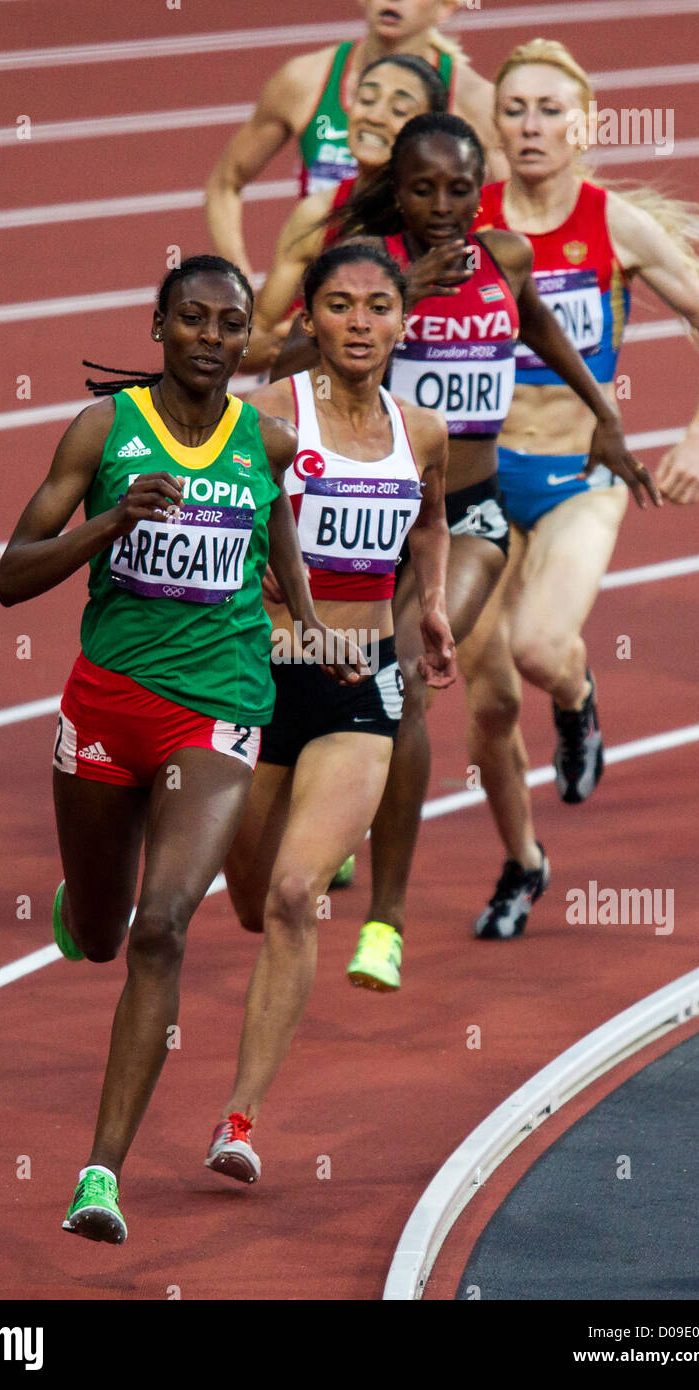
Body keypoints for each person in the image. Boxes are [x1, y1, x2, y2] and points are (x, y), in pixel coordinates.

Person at [0, 255, 357, 1244]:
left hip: (219, 706)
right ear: (157, 328)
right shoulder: (102, 433)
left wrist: (307, 611)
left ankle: (98, 1175)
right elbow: (9, 577)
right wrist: (112, 520)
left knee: (163, 928)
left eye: (227, 323)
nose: (209, 335)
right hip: (106, 706)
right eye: (190, 318)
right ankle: (87, 902)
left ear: (245, 339)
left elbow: (274, 509)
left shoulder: (262, 438)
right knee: (107, 929)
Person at [268, 111, 659, 991]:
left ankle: (385, 921)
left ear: (477, 188)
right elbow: (282, 360)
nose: (442, 205)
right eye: (422, 187)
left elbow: (543, 332)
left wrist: (607, 415)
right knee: (287, 674)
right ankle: (318, 820)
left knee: (400, 688)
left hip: (463, 512)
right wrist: (401, 285)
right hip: (356, 522)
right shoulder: (368, 268)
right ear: (397, 190)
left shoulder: (507, 258)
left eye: (457, 188)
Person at [458, 38, 699, 939]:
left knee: (544, 650)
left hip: (580, 476)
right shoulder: (468, 221)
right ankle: (523, 863)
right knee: (492, 697)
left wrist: (698, 439)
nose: (532, 125)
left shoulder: (611, 222)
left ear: (585, 125)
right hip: (479, 485)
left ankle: (579, 707)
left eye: (550, 110)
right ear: (494, 125)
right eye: (516, 109)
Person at [204, 242, 456, 1183]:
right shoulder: (268, 414)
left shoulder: (422, 430)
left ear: (403, 320)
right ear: (308, 317)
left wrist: (427, 603)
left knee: (288, 898)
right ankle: (108, 873)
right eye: (340, 305)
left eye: (378, 305)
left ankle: (241, 1120)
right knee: (239, 900)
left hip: (360, 686)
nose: (360, 322)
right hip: (254, 681)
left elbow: (431, 518)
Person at [205, 0, 504, 280]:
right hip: (322, 292)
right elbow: (225, 183)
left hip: (425, 299)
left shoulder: (473, 100)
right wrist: (238, 278)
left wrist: (467, 274)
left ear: (445, 7)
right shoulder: (304, 81)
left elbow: (509, 208)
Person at [245, 53, 448, 373]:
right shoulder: (317, 214)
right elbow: (252, 346)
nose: (375, 116)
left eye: (398, 110)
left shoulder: (442, 220)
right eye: (367, 100)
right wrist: (291, 341)